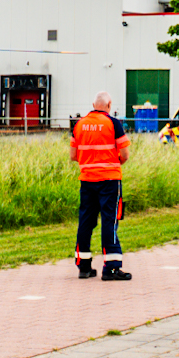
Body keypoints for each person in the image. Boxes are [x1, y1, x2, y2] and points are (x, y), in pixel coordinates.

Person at [69, 91, 132, 281]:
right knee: (109, 220)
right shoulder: (113, 123)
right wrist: (113, 162)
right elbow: (125, 154)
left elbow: (73, 155)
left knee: (86, 221)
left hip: (87, 179)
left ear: (93, 104)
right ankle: (111, 268)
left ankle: (84, 266)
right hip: (109, 180)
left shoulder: (79, 124)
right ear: (109, 105)